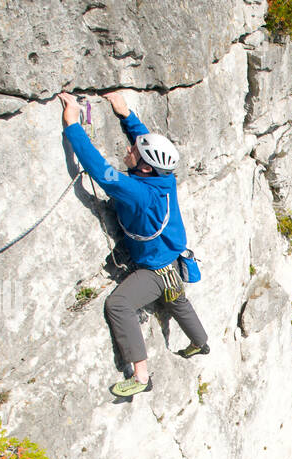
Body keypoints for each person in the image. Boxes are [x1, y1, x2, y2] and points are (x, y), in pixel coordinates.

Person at [58, 90, 208, 397]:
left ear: (143, 167)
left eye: (134, 153)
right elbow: (145, 143)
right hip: (174, 264)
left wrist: (72, 124)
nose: (130, 150)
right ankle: (200, 342)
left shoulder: (137, 193)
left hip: (153, 271)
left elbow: (101, 172)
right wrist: (125, 114)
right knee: (178, 302)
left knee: (119, 304)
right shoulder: (163, 178)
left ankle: (140, 377)